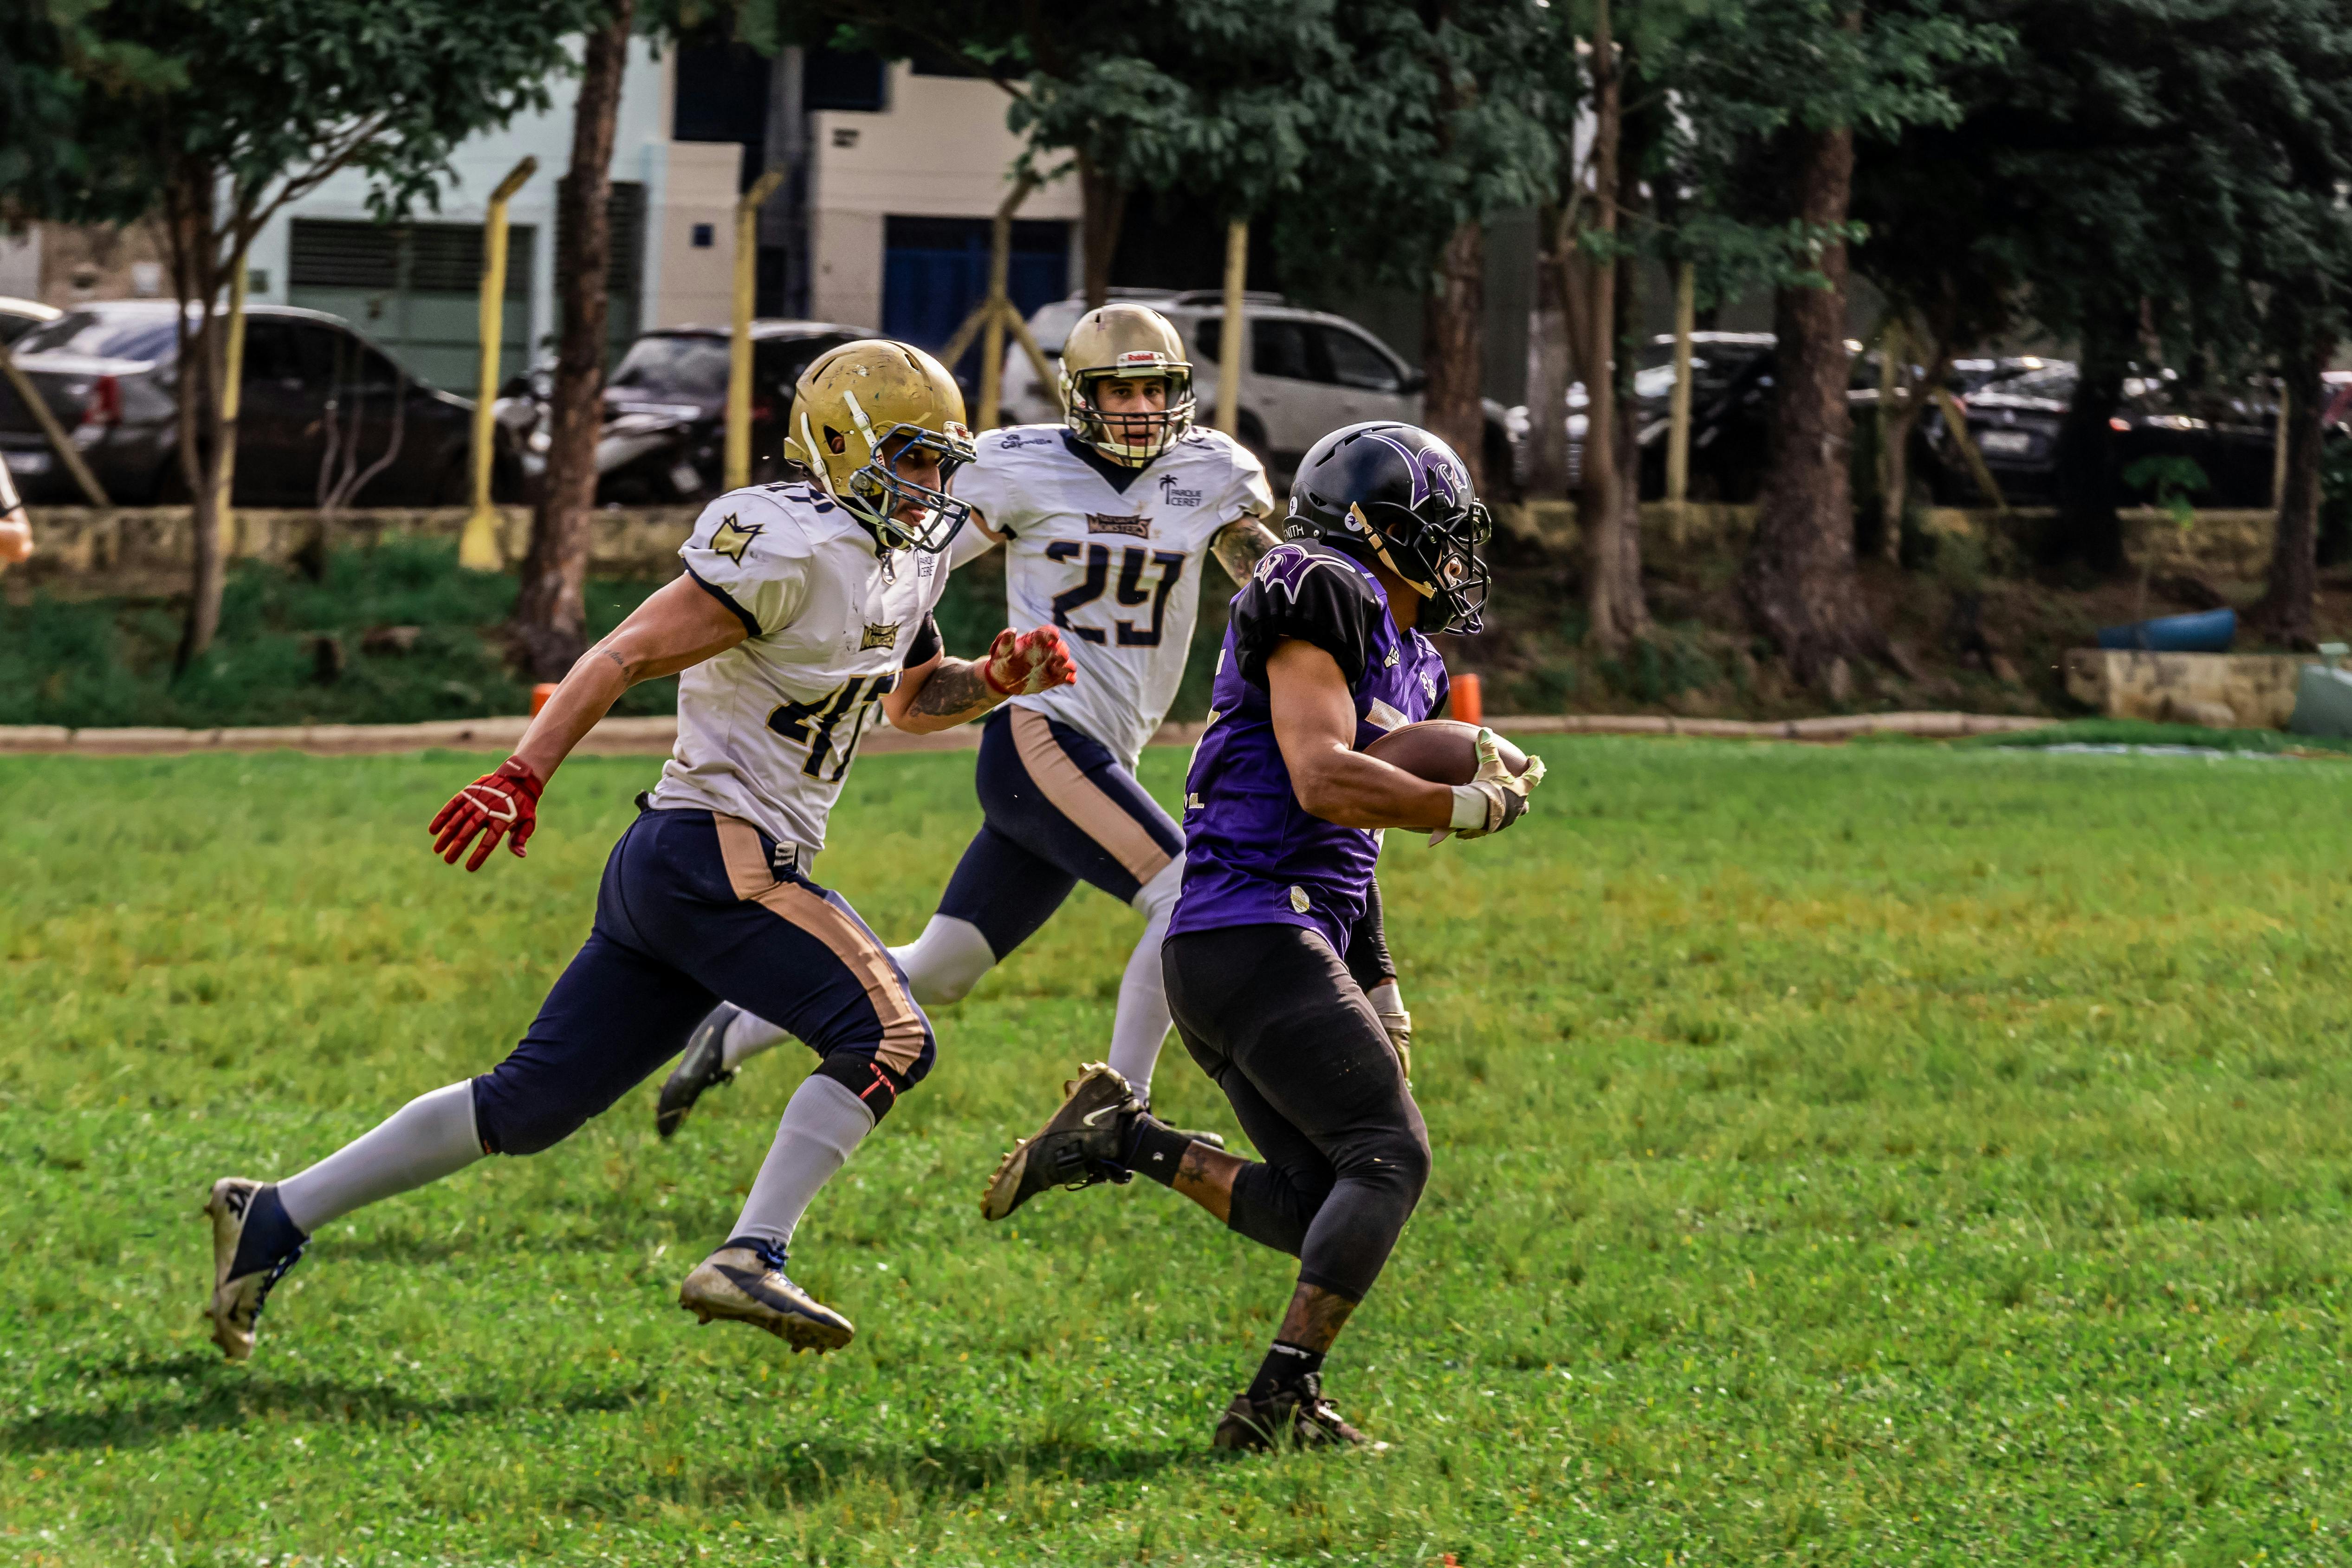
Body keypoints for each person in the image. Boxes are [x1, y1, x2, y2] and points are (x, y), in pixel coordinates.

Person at [202, 340, 1076, 1362]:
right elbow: (621, 654)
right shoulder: (786, 544)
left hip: (682, 868)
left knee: (526, 1110)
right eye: (911, 459)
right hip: (716, 851)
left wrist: (997, 679)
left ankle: (273, 1214)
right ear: (837, 447)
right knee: (891, 1037)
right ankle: (752, 1253)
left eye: (939, 461)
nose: (930, 486)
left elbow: (915, 698)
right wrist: (522, 774)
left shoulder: (905, 554)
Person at [654, 303, 1414, 1136]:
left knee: (944, 967)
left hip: (1097, 753)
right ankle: (1120, 1108)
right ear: (1077, 395)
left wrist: (1344, 630)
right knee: (1187, 890)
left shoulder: (1211, 474)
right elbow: (910, 556)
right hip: (1041, 732)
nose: (1140, 409)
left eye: (1156, 389)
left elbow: (1273, 582)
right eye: (1118, 392)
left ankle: (733, 1028)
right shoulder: (1017, 465)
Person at [978, 422, 1545, 1451]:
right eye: (1436, 531)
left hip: (1260, 936)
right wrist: (1463, 808)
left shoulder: (1404, 649)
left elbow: (1349, 837)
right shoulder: (1319, 588)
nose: (1456, 556)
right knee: (1387, 1157)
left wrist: (1378, 982)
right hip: (1250, 925)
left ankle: (1124, 1139)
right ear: (1375, 532)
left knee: (1317, 1195)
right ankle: (1277, 1399)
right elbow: (1323, 777)